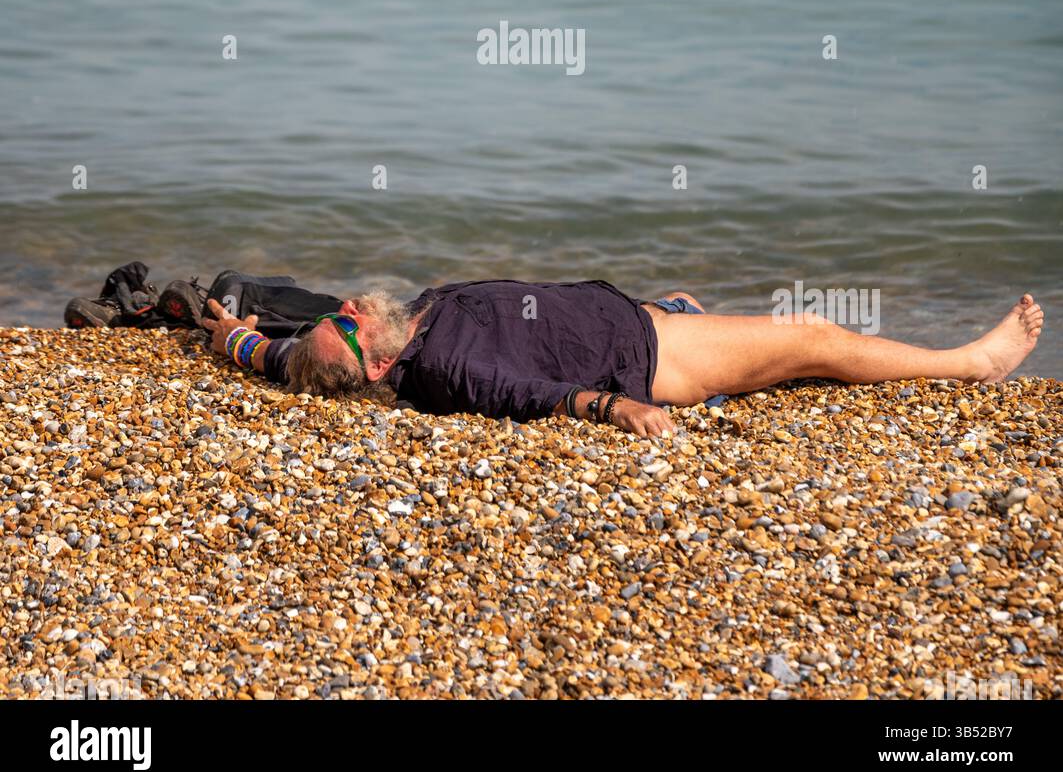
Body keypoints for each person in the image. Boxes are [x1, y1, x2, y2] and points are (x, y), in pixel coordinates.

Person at [198, 276, 1045, 439]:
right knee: (815, 340)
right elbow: (523, 390)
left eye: (338, 312)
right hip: (652, 358)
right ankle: (970, 361)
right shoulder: (443, 367)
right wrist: (615, 407)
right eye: (343, 326)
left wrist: (223, 334)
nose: (346, 310)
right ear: (374, 367)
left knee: (806, 345)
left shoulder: (412, 322)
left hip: (644, 317)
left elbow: (278, 361)